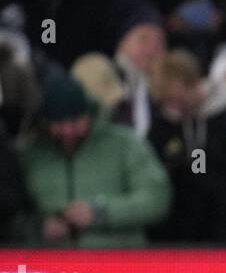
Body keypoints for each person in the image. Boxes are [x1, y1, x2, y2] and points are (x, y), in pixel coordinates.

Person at [19, 75, 171, 248]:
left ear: (89, 114)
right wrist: (40, 226)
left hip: (119, 263)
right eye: (59, 123)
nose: (68, 130)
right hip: (54, 269)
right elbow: (14, 213)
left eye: (75, 121)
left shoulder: (124, 144)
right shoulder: (33, 154)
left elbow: (156, 198)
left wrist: (102, 213)